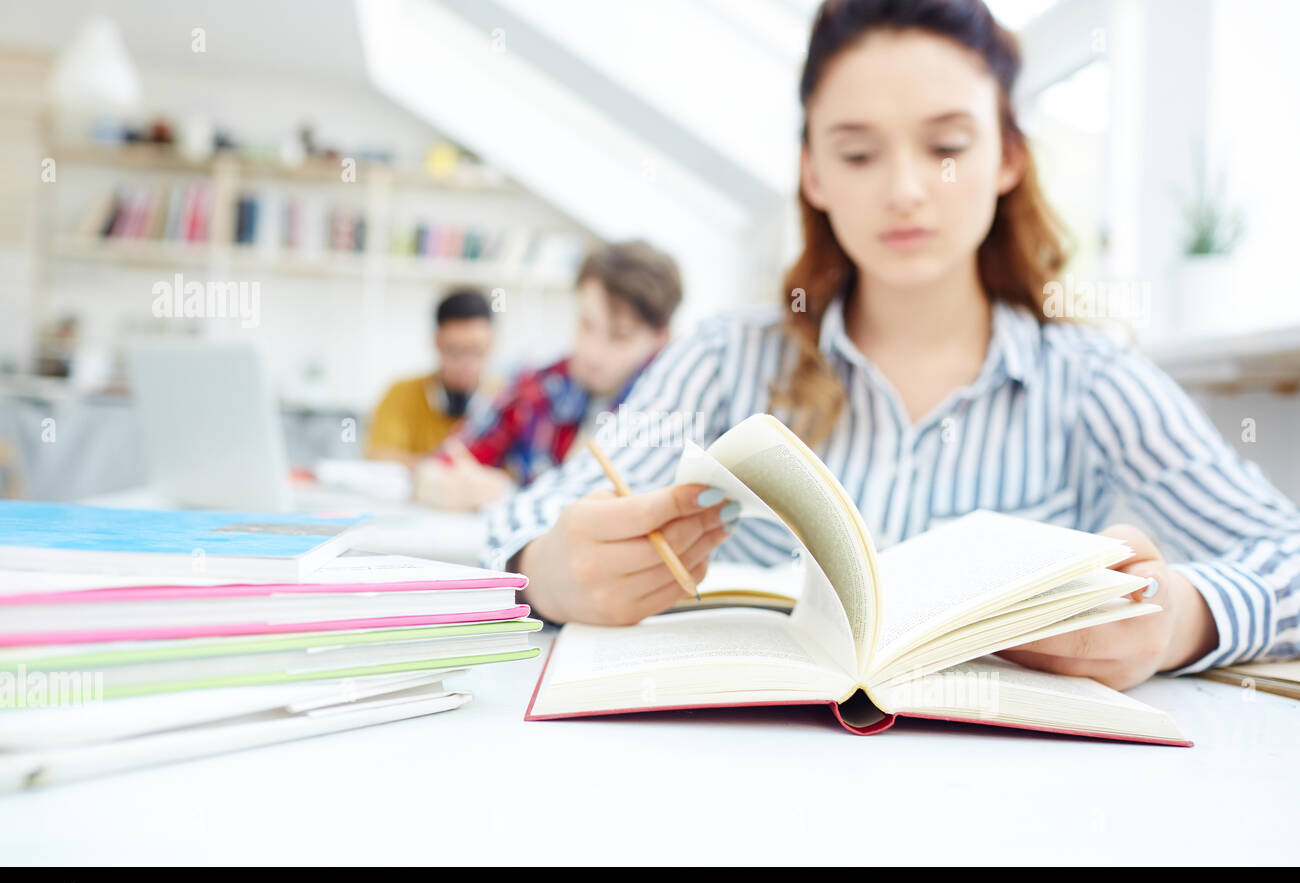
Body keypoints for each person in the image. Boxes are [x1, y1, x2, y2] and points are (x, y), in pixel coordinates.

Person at [480, 0, 1300, 691]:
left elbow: (1288, 557)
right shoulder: (723, 358)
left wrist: (1178, 619)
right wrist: (553, 570)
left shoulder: (1091, 377)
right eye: (859, 152)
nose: (906, 189)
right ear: (813, 174)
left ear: (1008, 156)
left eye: (946, 147)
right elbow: (513, 525)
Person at [416, 239, 683, 511]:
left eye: (620, 336)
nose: (592, 351)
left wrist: (509, 498)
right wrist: (446, 485)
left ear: (660, 339)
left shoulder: (672, 410)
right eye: (586, 324)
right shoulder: (537, 386)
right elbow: (440, 463)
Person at [365, 290, 494, 465]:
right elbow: (377, 457)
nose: (466, 363)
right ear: (437, 342)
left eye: (476, 350)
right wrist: (440, 466)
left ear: (492, 343)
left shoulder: (505, 401)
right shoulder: (401, 394)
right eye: (454, 350)